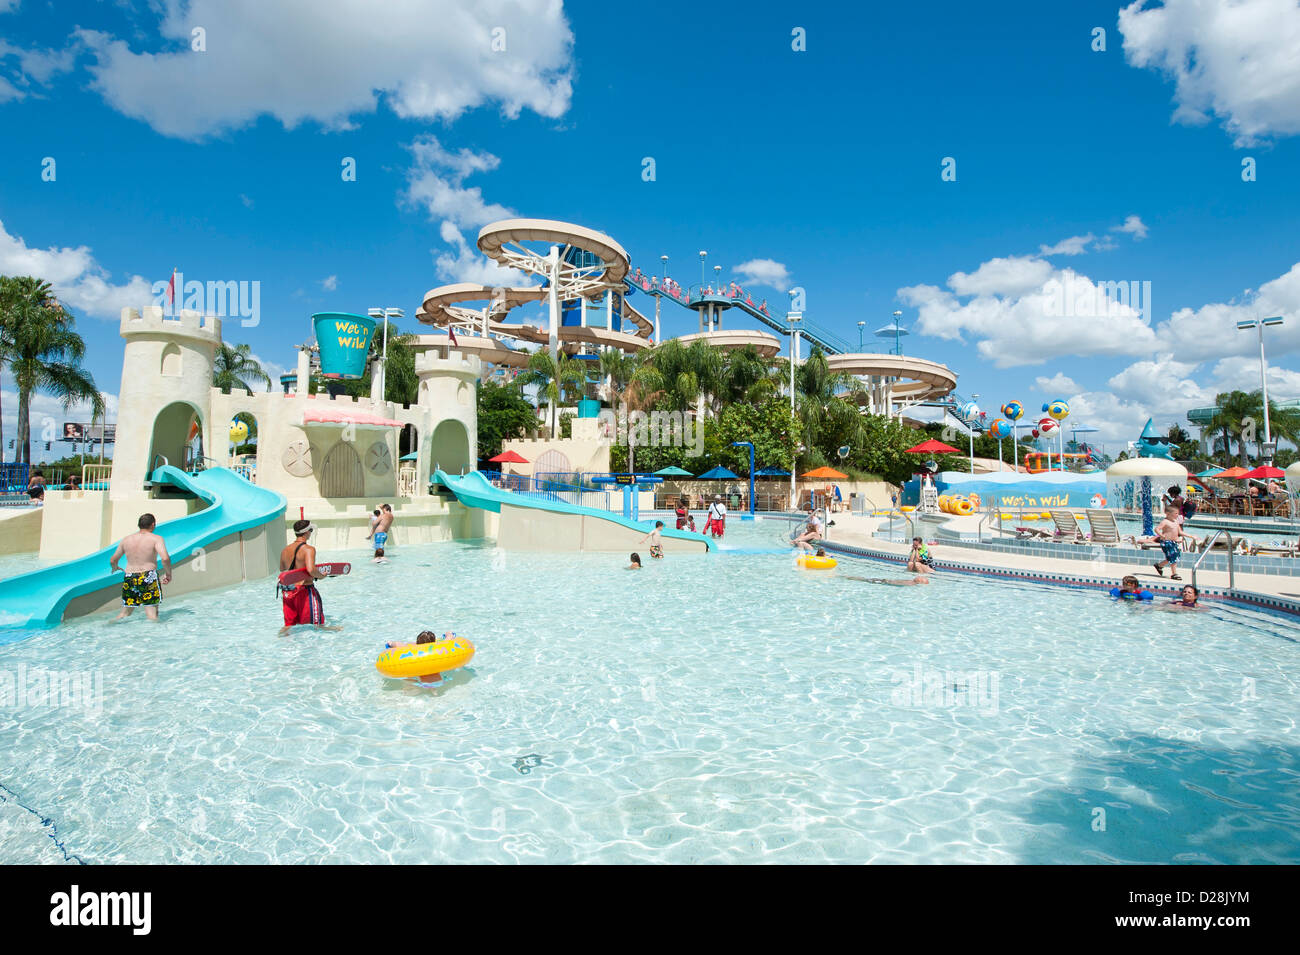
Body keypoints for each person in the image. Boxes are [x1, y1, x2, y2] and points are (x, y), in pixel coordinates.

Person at [278, 519, 343, 635]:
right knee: (317, 624)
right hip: (305, 590)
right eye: (311, 530)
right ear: (307, 532)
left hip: (288, 592)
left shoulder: (285, 550)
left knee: (288, 626)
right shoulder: (308, 549)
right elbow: (311, 569)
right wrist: (322, 576)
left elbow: (282, 568)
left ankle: (281, 641)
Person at [110, 513, 173, 621]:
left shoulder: (126, 539)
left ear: (139, 525)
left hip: (130, 576)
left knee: (125, 613)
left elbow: (113, 560)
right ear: (153, 524)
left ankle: (110, 625)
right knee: (152, 615)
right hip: (148, 576)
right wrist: (168, 574)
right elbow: (165, 558)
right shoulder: (156, 539)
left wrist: (115, 567)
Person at [385, 630, 451, 685]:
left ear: (417, 642)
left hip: (418, 679)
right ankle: (433, 691)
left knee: (409, 677)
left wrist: (390, 643)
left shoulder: (411, 649)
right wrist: (448, 633)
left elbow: (398, 645)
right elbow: (448, 639)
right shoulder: (437, 649)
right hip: (438, 681)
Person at [1152, 503, 1184, 580]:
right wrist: (1161, 535)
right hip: (1166, 542)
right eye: (1176, 513)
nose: (1177, 515)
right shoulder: (1165, 521)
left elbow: (1180, 532)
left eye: (1178, 513)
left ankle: (1159, 565)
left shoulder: (1175, 522)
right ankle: (1174, 574)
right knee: (1173, 557)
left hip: (1174, 542)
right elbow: (1157, 529)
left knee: (1174, 556)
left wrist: (1191, 536)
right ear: (1168, 513)